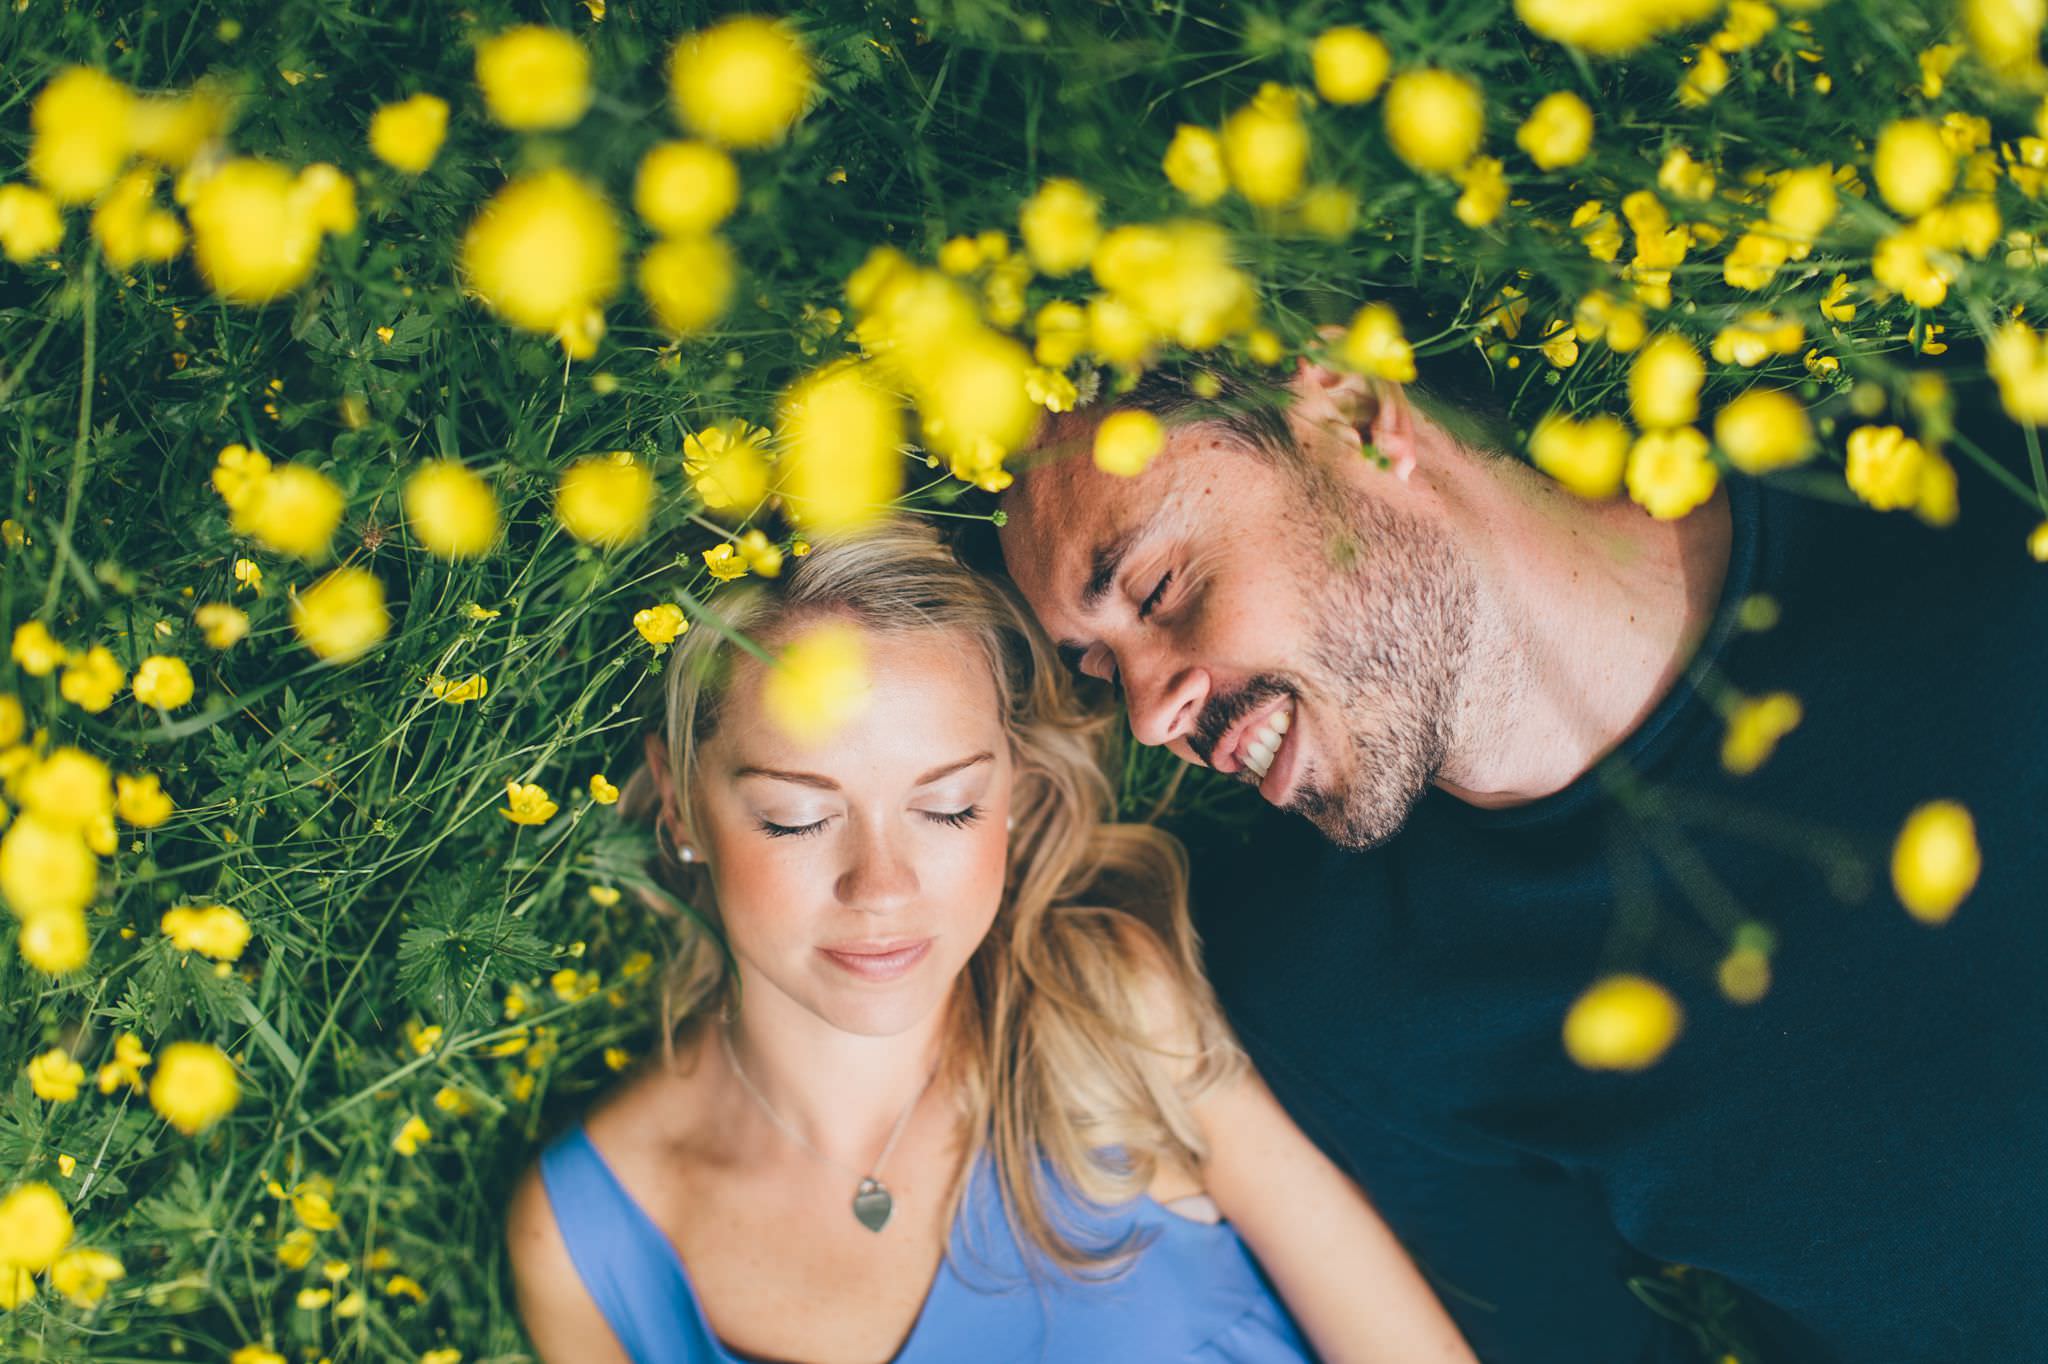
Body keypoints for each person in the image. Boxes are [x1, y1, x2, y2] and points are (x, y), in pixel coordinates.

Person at [993, 349, 2048, 1364]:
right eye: (1097, 668)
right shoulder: (1347, 989)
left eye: (1157, 586)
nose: (1145, 713)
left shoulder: (1966, 486)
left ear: (1356, 418)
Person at [503, 520, 1479, 1364]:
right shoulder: (590, 1238)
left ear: (1008, 792)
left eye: (948, 806)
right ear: (679, 798)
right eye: (797, 816)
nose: (881, 887)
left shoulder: (1109, 1015)